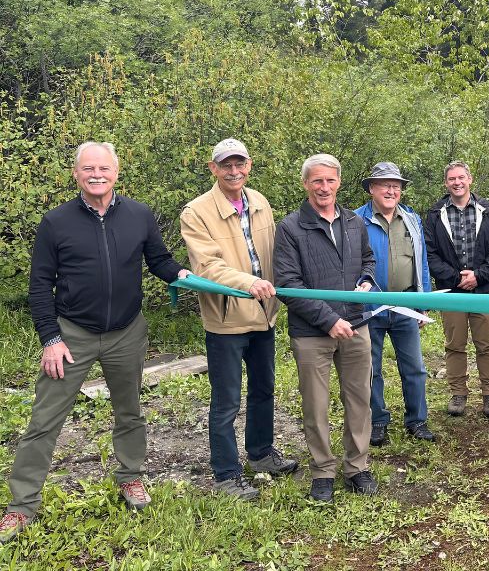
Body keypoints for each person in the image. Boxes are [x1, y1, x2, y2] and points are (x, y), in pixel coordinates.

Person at [1, 142, 189, 544]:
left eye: (104, 167)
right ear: (76, 174)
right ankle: (21, 506)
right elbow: (39, 286)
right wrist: (50, 338)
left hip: (127, 332)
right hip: (71, 336)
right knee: (43, 421)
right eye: (88, 168)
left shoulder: (139, 215)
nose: (97, 174)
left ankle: (130, 478)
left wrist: (183, 275)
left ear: (117, 172)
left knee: (130, 411)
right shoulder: (56, 222)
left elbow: (159, 261)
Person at [180, 138, 297, 501]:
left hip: (264, 316)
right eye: (225, 165)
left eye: (240, 164)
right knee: (227, 400)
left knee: (263, 390)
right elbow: (208, 265)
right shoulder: (196, 212)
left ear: (249, 165)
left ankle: (261, 454)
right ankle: (226, 475)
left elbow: (276, 251)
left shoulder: (260, 202)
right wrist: (251, 283)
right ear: (213, 168)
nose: (234, 171)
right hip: (227, 321)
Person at [274, 154, 378, 501]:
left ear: (339, 182)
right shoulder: (290, 228)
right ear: (306, 184)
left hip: (357, 324)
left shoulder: (354, 222)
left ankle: (357, 467)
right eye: (317, 181)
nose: (324, 187)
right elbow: (288, 283)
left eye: (330, 180)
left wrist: (366, 279)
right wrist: (328, 320)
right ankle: (322, 472)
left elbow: (368, 260)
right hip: (312, 333)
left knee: (359, 399)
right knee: (315, 406)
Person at [353, 162, 434, 446]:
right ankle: (377, 422)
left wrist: (423, 302)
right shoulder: (355, 221)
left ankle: (417, 420)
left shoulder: (411, 219)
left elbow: (421, 261)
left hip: (406, 305)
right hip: (370, 308)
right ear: (372, 189)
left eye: (396, 186)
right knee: (370, 368)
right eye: (385, 184)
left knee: (414, 367)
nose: (391, 190)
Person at [424, 161, 489, 419]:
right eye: (452, 179)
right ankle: (458, 393)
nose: (457, 182)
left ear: (470, 179)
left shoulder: (488, 211)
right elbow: (429, 251)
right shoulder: (435, 213)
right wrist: (454, 278)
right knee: (454, 344)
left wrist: (479, 276)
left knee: (486, 344)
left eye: (461, 177)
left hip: (482, 290)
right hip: (451, 292)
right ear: (446, 183)